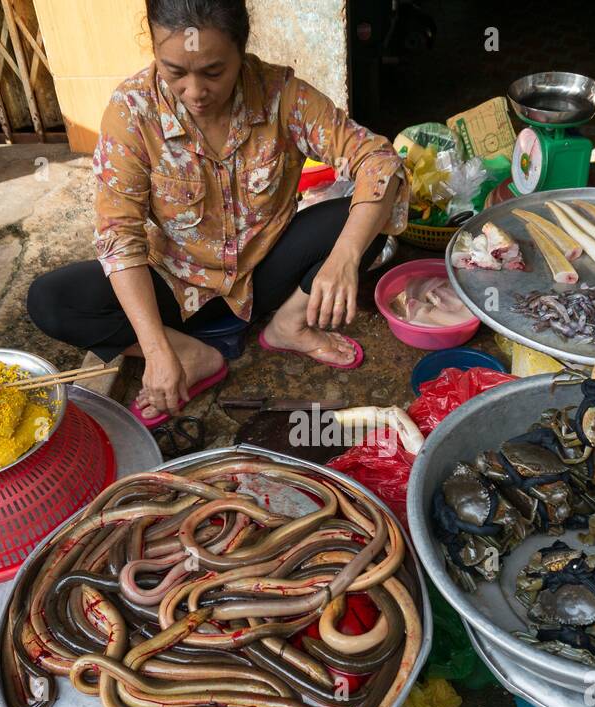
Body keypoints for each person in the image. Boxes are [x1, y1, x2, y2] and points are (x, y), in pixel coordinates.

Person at [26, 0, 409, 425]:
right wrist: (156, 350)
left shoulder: (281, 95)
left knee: (368, 222)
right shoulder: (132, 111)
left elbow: (379, 161)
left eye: (213, 71)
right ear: (153, 47)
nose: (195, 92)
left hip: (262, 279)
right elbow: (119, 235)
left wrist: (342, 261)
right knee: (51, 301)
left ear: (241, 50)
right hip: (172, 289)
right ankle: (190, 352)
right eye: (174, 71)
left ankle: (288, 324)